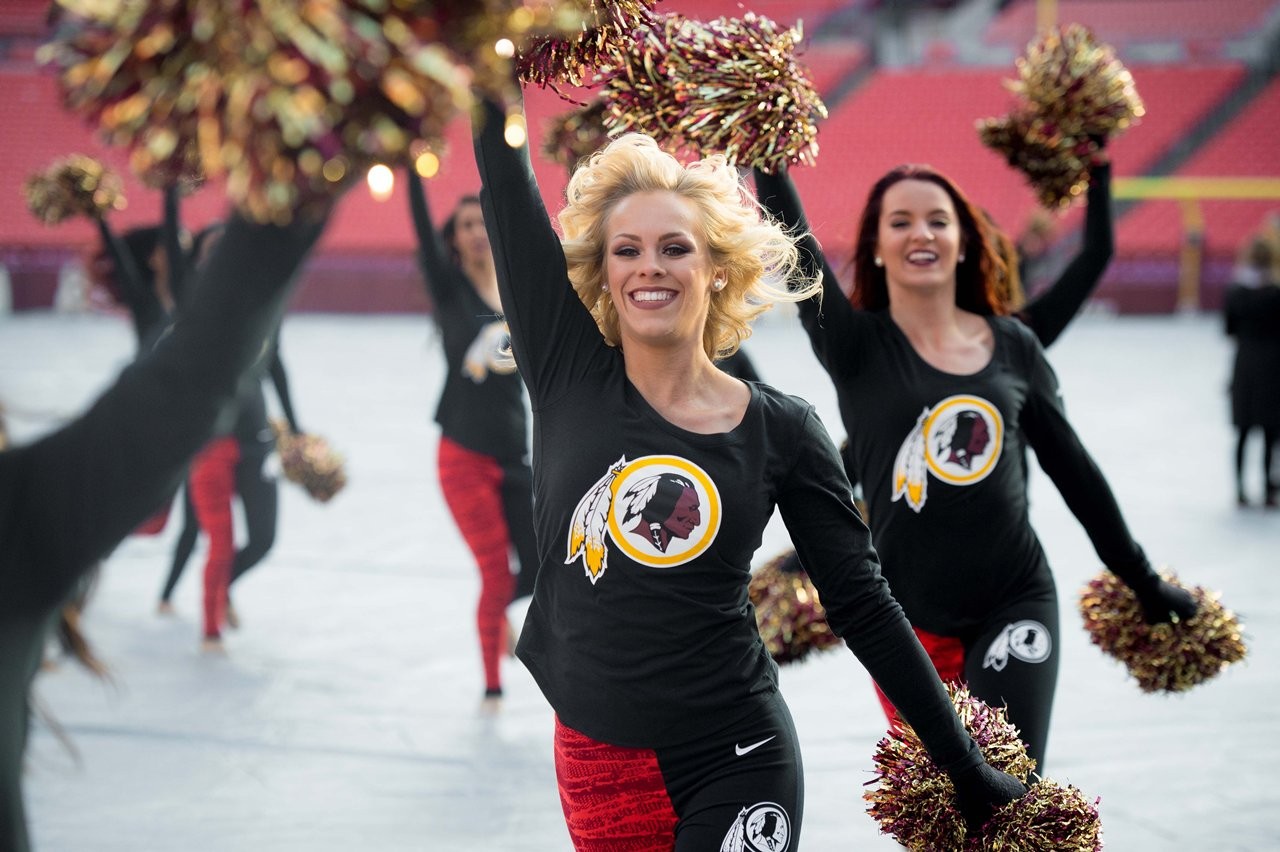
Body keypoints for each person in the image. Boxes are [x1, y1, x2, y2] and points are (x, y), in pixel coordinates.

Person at [472, 93, 1025, 850]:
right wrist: (487, 60)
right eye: (626, 250)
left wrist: (963, 764)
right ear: (602, 274)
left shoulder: (782, 428)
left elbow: (863, 605)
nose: (650, 266)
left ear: (717, 270)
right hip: (599, 767)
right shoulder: (566, 373)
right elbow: (506, 177)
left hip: (740, 753)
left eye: (676, 248)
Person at [752, 163, 1195, 774]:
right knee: (948, 802)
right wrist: (768, 152)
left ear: (964, 242)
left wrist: (1144, 582)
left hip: (1014, 599)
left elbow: (1076, 473)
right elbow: (797, 248)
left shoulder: (1014, 346)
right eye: (900, 222)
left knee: (1012, 790)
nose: (922, 233)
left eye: (939, 221)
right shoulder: (855, 347)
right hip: (903, 627)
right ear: (875, 247)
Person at [1, 209, 330, 852]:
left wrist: (294, 429)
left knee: (242, 538)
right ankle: (201, 615)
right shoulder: (26, 519)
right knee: (193, 536)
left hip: (223, 442)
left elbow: (216, 363)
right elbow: (198, 364)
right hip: (191, 451)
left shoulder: (19, 516)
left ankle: (201, 598)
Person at [406, 175, 540, 709]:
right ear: (455, 239)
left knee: (541, 565)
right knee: (494, 572)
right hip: (463, 456)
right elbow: (421, 233)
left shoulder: (518, 288)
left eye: (483, 222)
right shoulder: (449, 289)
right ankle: (492, 686)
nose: (477, 232)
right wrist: (410, 167)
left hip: (515, 453)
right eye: (466, 225)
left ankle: (498, 617)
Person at [1223, 234, 1280, 507]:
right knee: (1271, 434)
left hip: (1245, 365)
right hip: (1273, 366)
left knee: (1243, 433)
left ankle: (1240, 490)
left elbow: (1229, 330)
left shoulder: (1235, 292)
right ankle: (1269, 490)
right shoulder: (1276, 293)